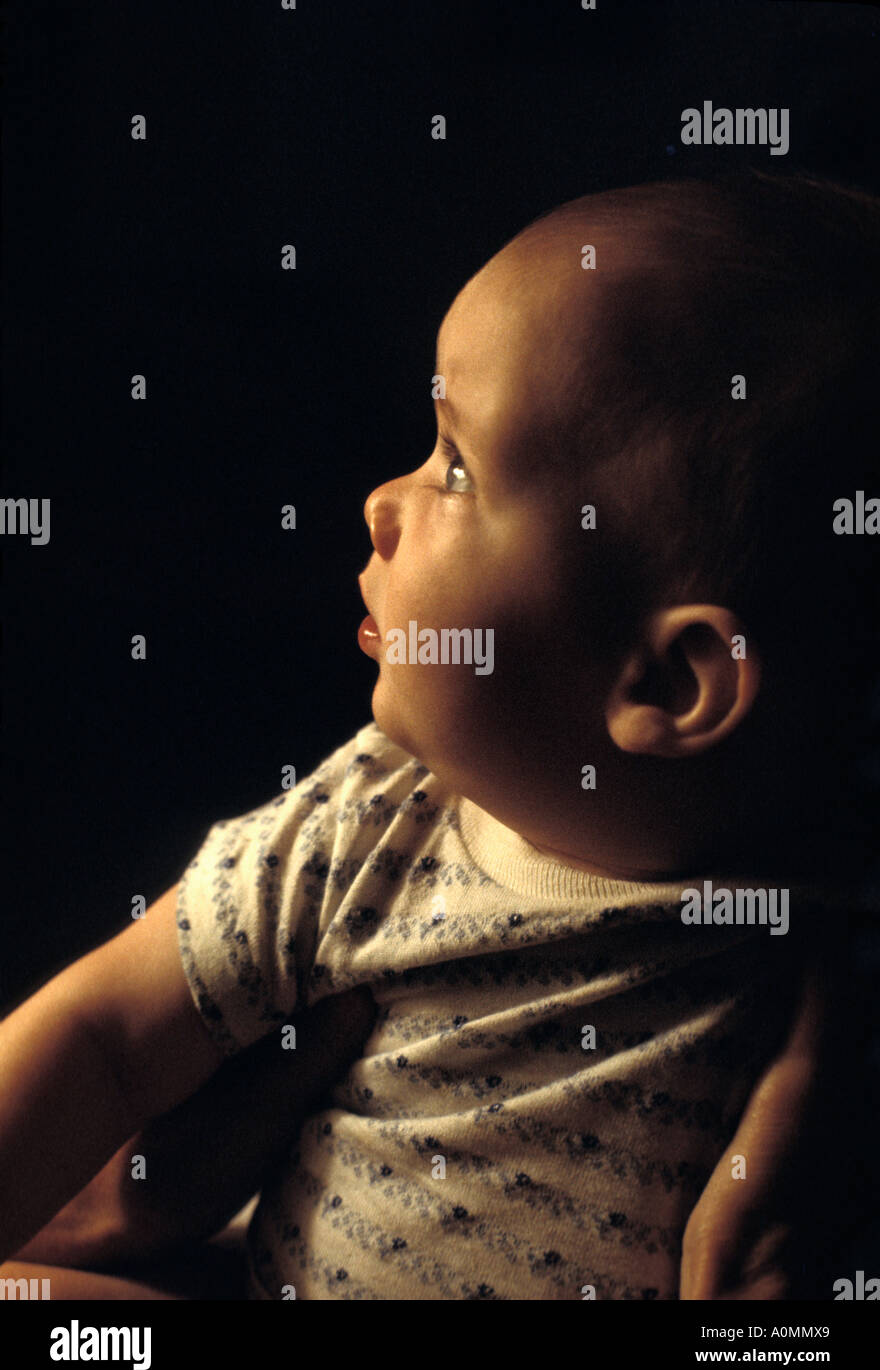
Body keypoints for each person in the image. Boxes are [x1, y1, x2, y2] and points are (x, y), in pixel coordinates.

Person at [2, 170, 878, 1299]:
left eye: (455, 467)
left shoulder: (812, 944)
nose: (382, 500)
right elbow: (104, 1041)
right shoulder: (364, 827)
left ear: (666, 679)